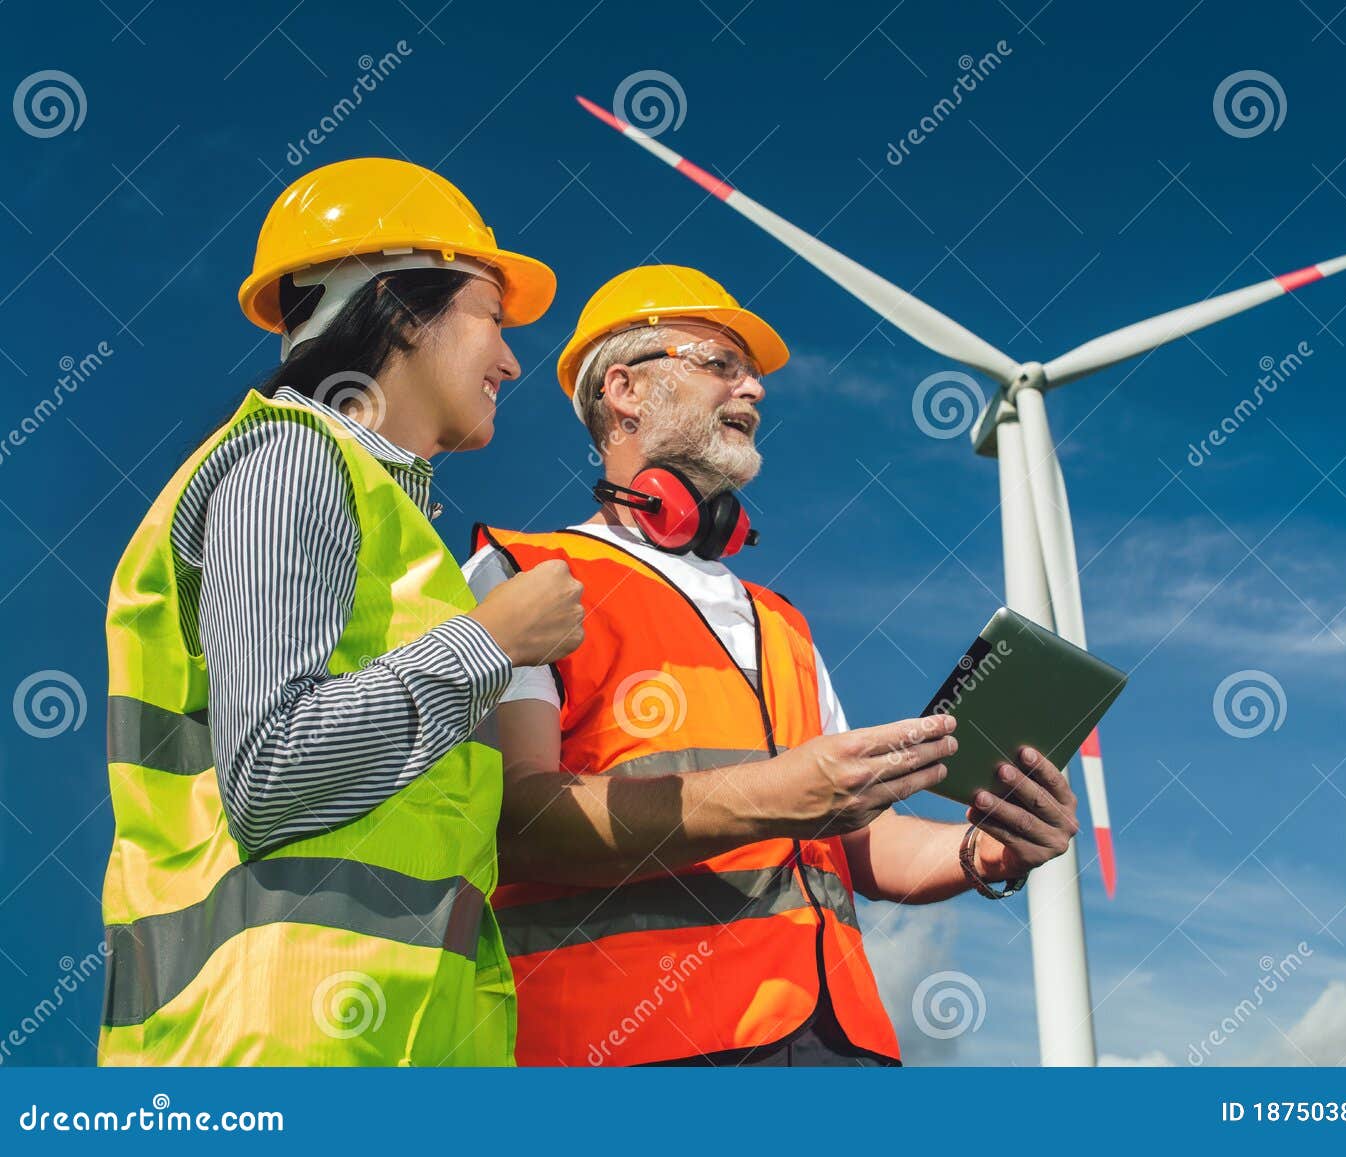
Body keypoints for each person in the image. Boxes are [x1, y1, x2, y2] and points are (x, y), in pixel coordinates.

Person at [465, 265, 1080, 1067]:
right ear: (624, 390)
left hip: (840, 1049)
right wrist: (781, 794)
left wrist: (983, 851)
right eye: (721, 363)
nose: (755, 388)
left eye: (750, 373)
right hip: (639, 1052)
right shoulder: (522, 573)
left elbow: (863, 847)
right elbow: (515, 821)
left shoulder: (780, 621)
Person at [99, 157, 585, 1065]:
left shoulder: (388, 522)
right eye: (490, 316)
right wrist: (492, 643)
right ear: (402, 309)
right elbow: (271, 770)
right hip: (283, 1044)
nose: (514, 360)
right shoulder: (291, 462)